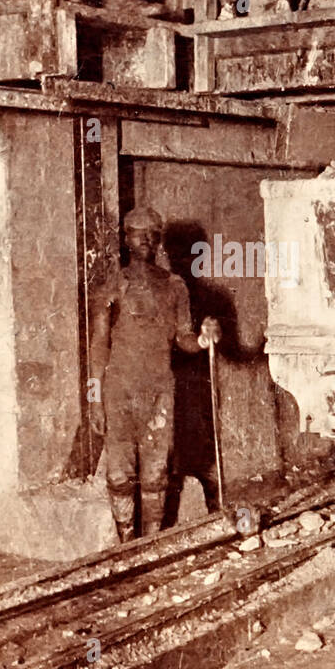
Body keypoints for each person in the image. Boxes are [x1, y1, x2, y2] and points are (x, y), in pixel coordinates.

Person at [89, 206, 220, 542]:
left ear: (158, 239)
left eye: (152, 232)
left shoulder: (174, 287)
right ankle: (125, 544)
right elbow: (98, 346)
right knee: (119, 475)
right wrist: (95, 399)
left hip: (160, 391)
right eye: (138, 231)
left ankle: (149, 543)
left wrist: (204, 339)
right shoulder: (111, 288)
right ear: (126, 238)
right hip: (119, 391)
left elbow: (184, 338)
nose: (146, 238)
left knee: (156, 474)